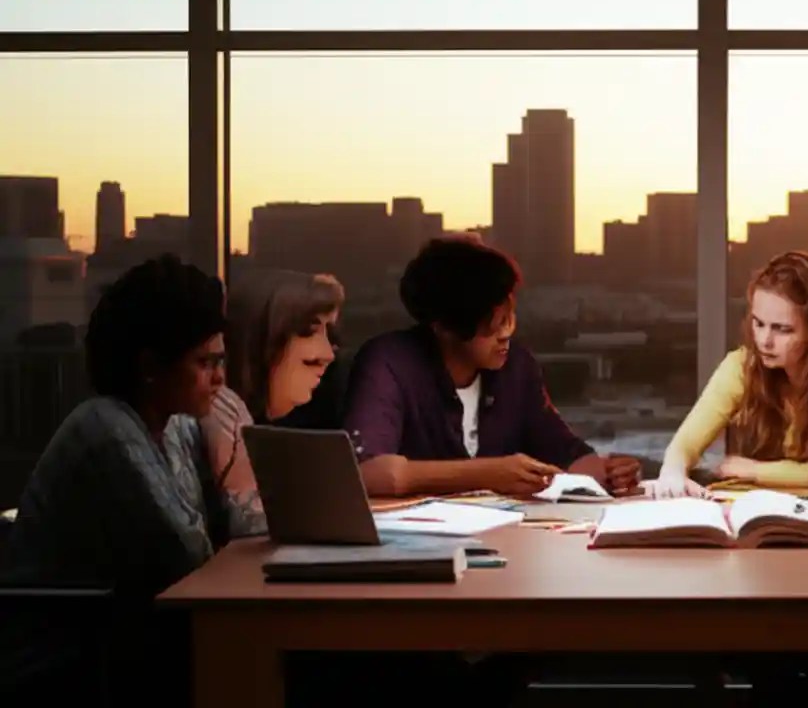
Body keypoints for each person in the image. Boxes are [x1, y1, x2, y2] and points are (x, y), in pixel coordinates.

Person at [1, 255, 228, 702]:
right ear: (149, 367)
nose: (220, 378)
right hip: (71, 659)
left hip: (127, 641)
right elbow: (187, 555)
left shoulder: (175, 426)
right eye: (204, 362)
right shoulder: (107, 431)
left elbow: (221, 526)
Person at [344, 237, 641, 497]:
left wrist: (608, 473)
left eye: (509, 320)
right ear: (445, 327)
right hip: (418, 545)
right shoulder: (389, 362)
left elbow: (563, 451)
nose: (505, 335)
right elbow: (368, 472)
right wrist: (487, 474)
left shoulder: (516, 367)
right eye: (494, 325)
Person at [649, 250, 808, 499]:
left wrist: (752, 471)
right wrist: (673, 471)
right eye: (758, 324)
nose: (764, 341)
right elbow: (683, 447)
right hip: (745, 506)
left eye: (782, 329)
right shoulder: (741, 364)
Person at [200, 270, 344, 538]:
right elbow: (254, 526)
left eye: (329, 332)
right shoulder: (223, 413)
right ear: (263, 338)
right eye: (310, 331)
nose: (327, 354)